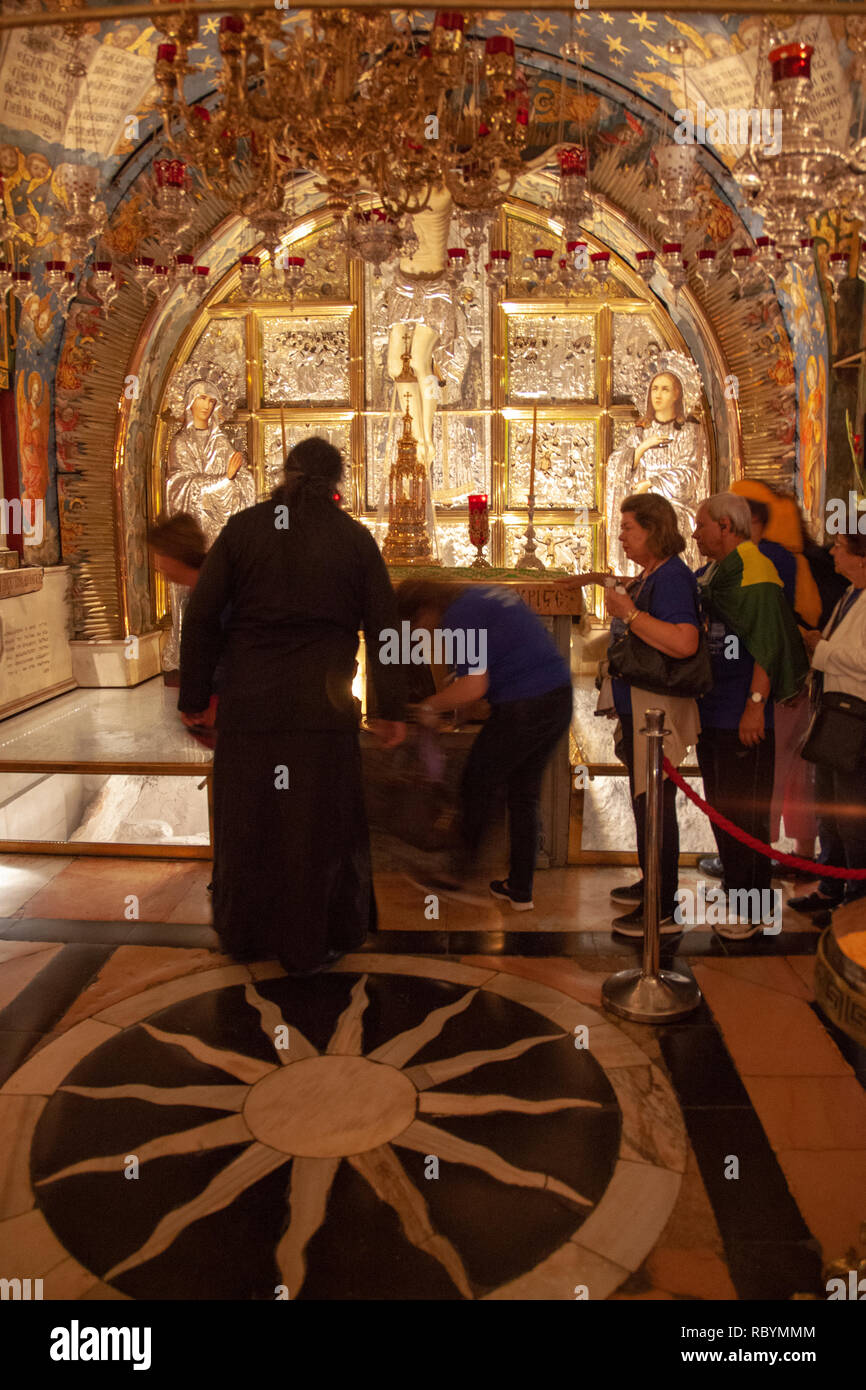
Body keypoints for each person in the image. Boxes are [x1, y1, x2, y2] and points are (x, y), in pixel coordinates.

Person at [178, 437, 407, 974]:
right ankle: (312, 942)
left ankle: (246, 935)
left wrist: (195, 699)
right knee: (316, 829)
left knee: (250, 822)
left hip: (250, 708)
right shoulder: (353, 540)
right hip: (320, 713)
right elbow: (386, 630)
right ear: (338, 483)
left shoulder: (243, 530)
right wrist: (389, 709)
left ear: (286, 474)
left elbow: (203, 615)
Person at [396, 579, 572, 910]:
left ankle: (456, 878)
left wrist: (430, 706)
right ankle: (520, 889)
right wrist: (457, 709)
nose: (422, 631)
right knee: (523, 794)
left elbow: (475, 685)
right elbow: (483, 676)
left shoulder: (458, 616)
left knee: (476, 782)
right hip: (557, 697)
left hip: (525, 705)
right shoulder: (478, 597)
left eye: (417, 624)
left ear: (424, 610)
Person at [693, 492, 809, 937]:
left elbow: (767, 644)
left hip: (743, 710)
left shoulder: (755, 569)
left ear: (726, 526)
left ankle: (754, 909)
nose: (696, 532)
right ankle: (735, 893)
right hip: (715, 708)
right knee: (724, 809)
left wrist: (755, 708)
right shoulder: (719, 571)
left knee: (747, 815)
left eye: (702, 524)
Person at [598, 493, 702, 937]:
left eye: (628, 528)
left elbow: (684, 643)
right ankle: (651, 883)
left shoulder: (674, 578)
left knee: (657, 807)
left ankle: (662, 907)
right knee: (646, 806)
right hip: (639, 710)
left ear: (654, 531)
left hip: (657, 713)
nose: (620, 535)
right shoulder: (652, 573)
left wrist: (630, 612)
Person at [790, 523, 866, 925]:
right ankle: (830, 884)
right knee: (828, 807)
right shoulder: (851, 594)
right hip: (833, 710)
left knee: (851, 814)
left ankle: (856, 900)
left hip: (855, 717)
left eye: (839, 547)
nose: (832, 554)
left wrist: (822, 647)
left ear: (861, 556)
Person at [606, 370, 707, 572]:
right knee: (635, 525)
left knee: (668, 525)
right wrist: (643, 447)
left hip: (675, 509)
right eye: (654, 389)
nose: (658, 395)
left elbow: (690, 475)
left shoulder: (690, 430)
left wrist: (651, 484)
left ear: (677, 394)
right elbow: (616, 468)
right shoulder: (640, 432)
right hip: (643, 510)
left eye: (665, 389)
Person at [147, 512, 209, 693]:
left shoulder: (213, 593)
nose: (158, 565)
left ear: (175, 552)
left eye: (159, 554)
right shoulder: (198, 590)